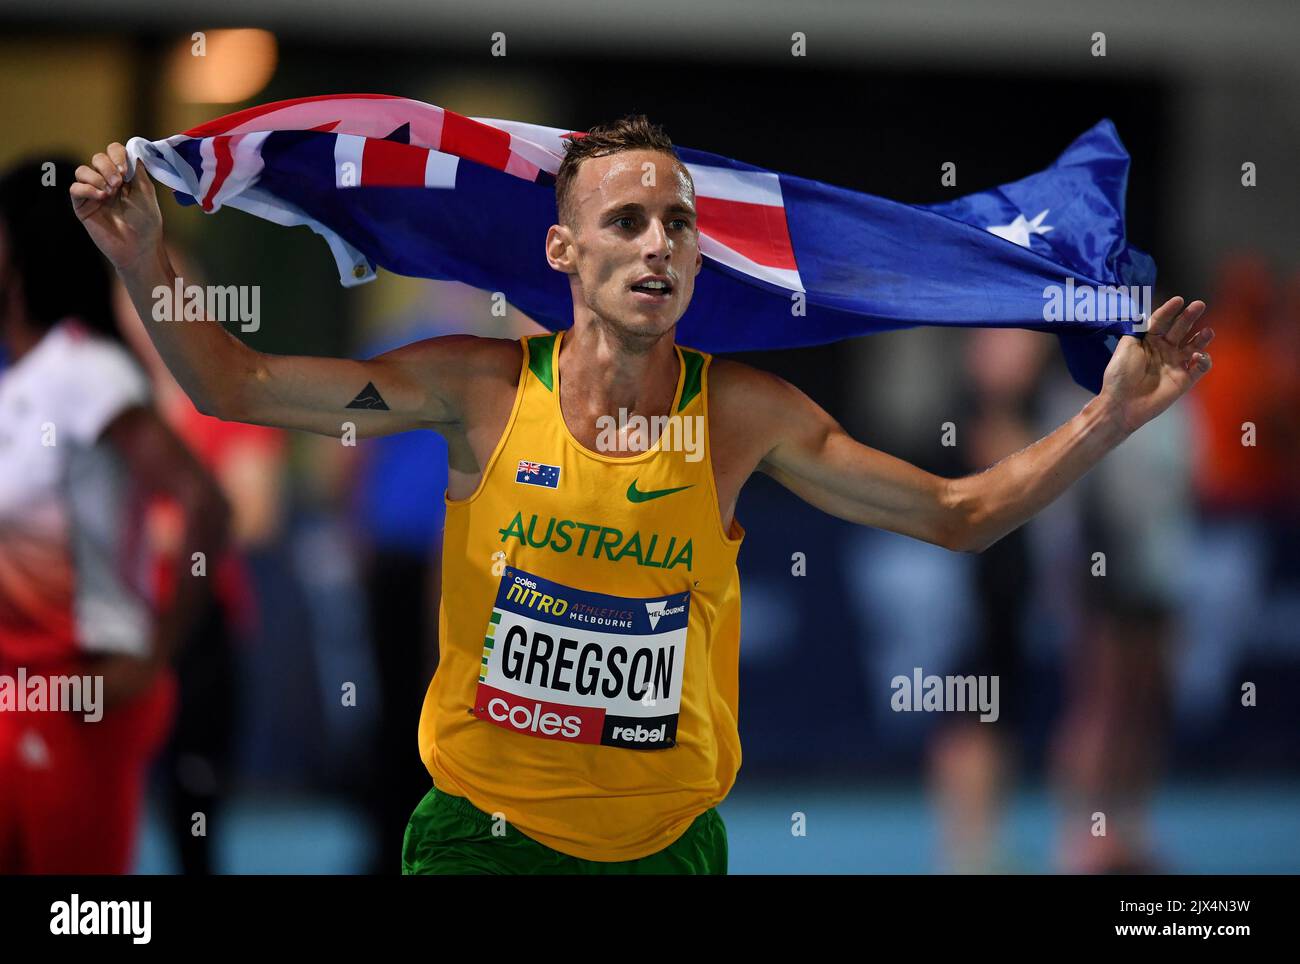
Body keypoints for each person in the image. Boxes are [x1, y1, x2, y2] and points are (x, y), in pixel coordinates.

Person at [73, 115, 1214, 875]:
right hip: (480, 841)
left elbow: (956, 514)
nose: (657, 243)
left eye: (677, 222)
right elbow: (238, 383)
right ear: (562, 252)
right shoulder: (475, 392)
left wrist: (1109, 413)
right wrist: (141, 258)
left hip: (668, 849)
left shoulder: (737, 416)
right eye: (625, 221)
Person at [0, 157, 229, 874]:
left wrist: (154, 654)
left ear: (16, 249)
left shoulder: (87, 372)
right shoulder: (20, 378)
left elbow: (205, 501)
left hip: (78, 690)